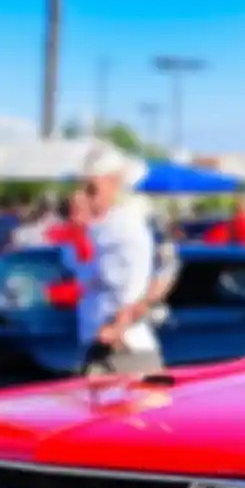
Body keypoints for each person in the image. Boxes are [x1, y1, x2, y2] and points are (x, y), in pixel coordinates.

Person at [77, 144, 163, 376]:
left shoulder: (126, 226)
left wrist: (119, 325)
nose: (84, 197)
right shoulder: (98, 228)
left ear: (114, 184)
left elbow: (138, 283)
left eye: (91, 190)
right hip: (97, 343)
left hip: (126, 348)